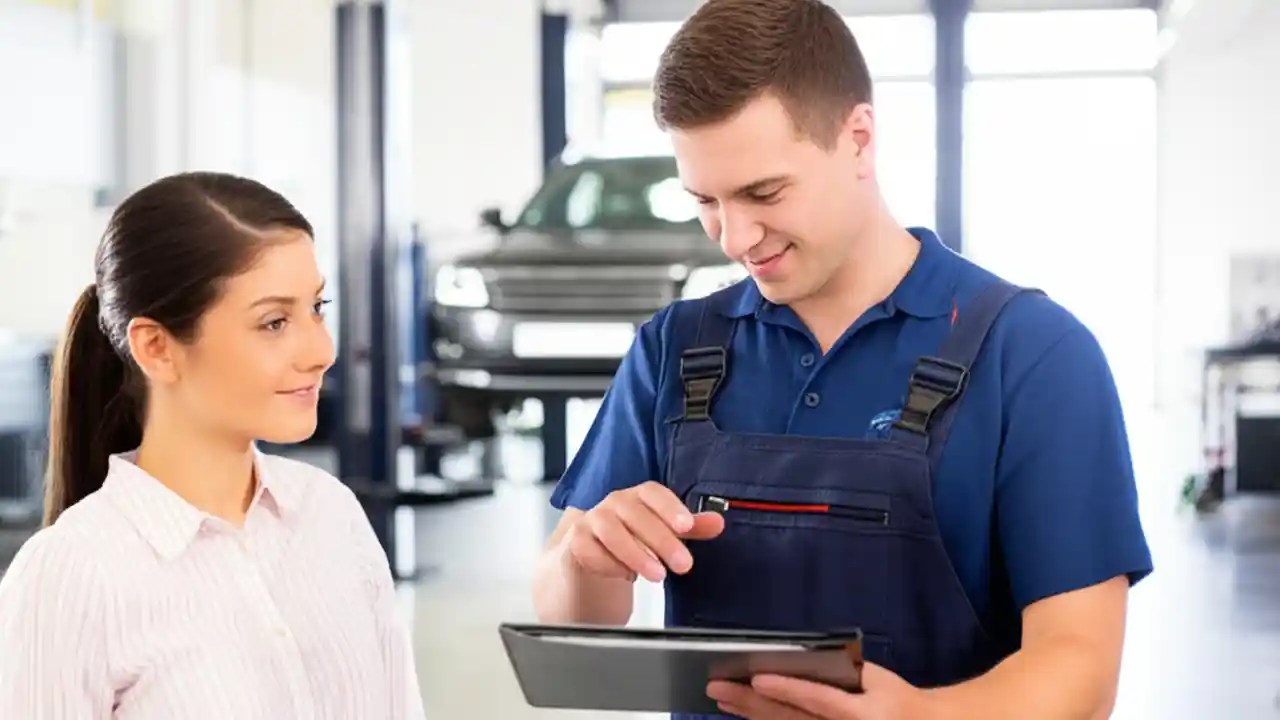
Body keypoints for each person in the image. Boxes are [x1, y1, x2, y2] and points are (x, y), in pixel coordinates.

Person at [531, 1, 1153, 719]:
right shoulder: (675, 348)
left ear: (858, 140)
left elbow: (1079, 668)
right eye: (704, 200)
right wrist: (584, 556)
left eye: (764, 193)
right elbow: (575, 612)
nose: (734, 236)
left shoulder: (1035, 356)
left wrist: (915, 717)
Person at [0, 172, 425, 719]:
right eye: (274, 322)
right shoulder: (71, 573)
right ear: (157, 348)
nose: (321, 350)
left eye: (317, 308)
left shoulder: (330, 513)